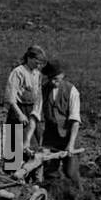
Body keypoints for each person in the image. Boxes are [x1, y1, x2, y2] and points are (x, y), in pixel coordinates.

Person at [40, 60, 82, 190]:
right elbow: (36, 114)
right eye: (51, 79)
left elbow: (75, 121)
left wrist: (70, 145)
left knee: (70, 172)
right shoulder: (43, 89)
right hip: (51, 136)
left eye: (56, 79)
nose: (53, 82)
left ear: (62, 75)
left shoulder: (72, 91)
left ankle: (79, 196)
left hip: (68, 136)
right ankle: (53, 198)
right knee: (50, 172)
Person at [4, 45, 46, 151]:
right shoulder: (18, 72)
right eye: (37, 62)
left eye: (41, 63)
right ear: (29, 58)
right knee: (16, 146)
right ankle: (14, 166)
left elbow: (39, 95)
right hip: (19, 109)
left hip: (33, 110)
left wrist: (37, 112)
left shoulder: (37, 73)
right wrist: (20, 115)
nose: (39, 65)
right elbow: (11, 97)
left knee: (34, 144)